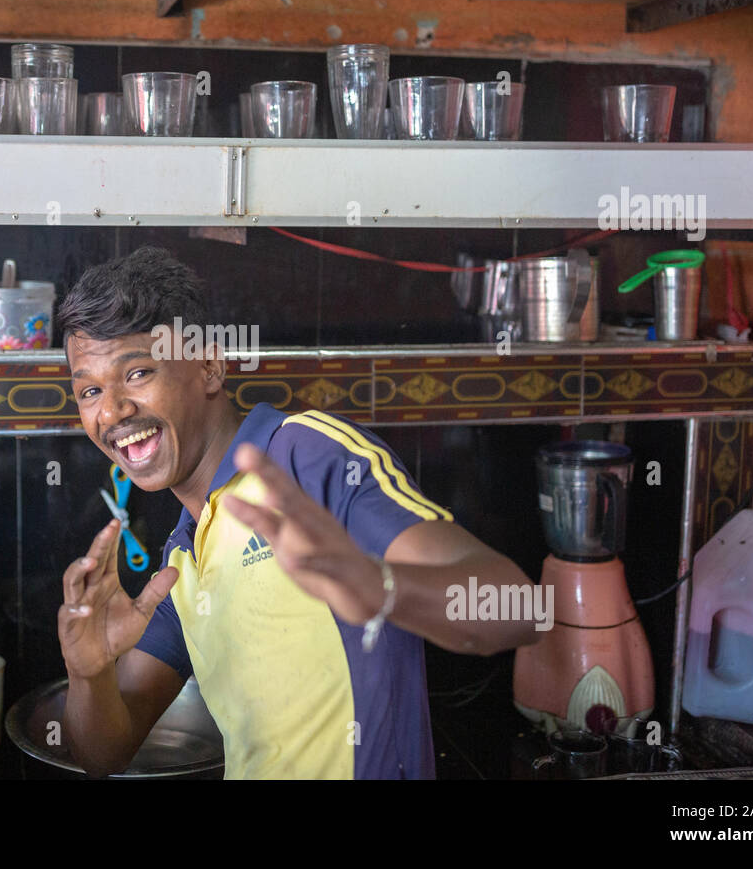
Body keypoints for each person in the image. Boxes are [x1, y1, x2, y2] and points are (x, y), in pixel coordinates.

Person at [55, 246, 540, 779]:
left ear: (210, 365)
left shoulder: (313, 458)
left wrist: (379, 589)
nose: (111, 410)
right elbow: (104, 754)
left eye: (139, 372)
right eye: (90, 390)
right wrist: (89, 673)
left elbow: (514, 609)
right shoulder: (182, 558)